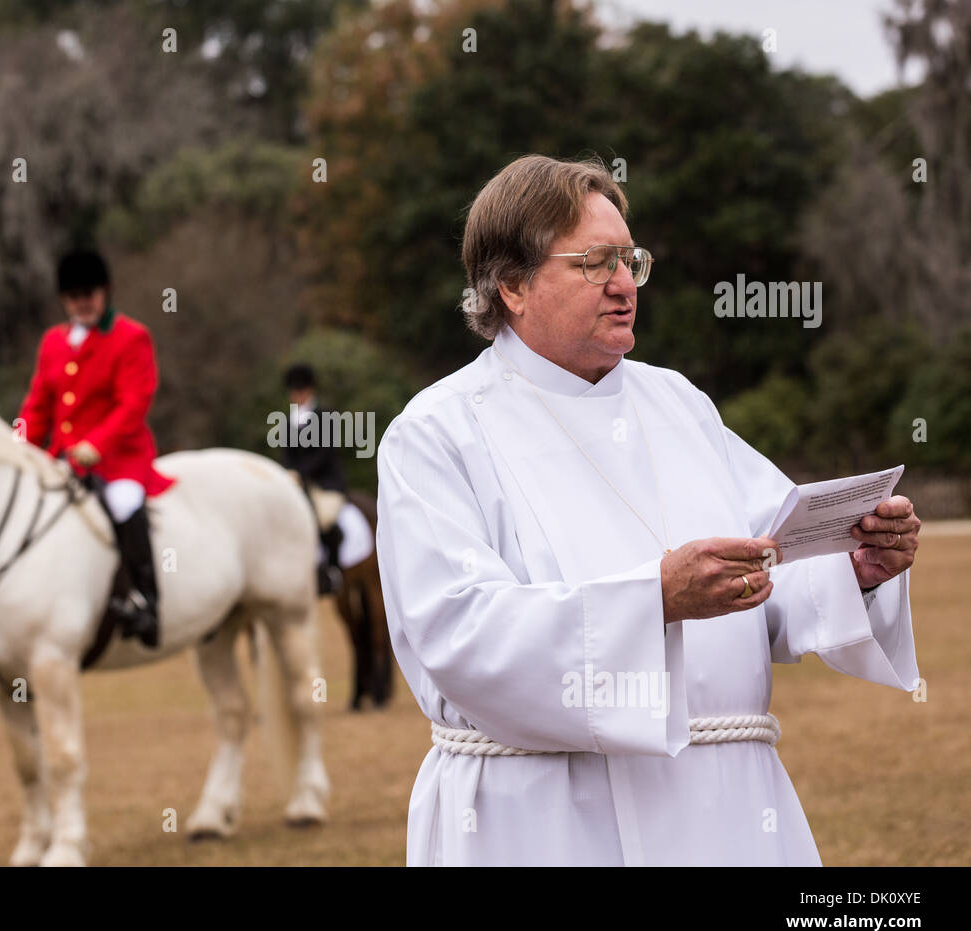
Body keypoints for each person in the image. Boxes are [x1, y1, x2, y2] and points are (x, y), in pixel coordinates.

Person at [375, 155, 921, 866]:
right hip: (539, 819)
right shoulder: (437, 432)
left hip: (722, 807)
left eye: (631, 260)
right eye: (596, 263)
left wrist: (858, 569)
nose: (625, 284)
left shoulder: (680, 405)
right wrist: (653, 600)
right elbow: (458, 635)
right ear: (510, 285)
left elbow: (767, 561)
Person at [16, 249, 176, 647]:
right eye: (73, 296)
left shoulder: (131, 337)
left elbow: (134, 403)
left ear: (105, 292)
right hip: (65, 461)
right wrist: (15, 445)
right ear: (63, 299)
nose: (81, 303)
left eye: (88, 294)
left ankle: (146, 601)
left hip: (120, 459)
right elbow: (37, 406)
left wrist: (96, 445)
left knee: (124, 503)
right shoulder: (53, 342)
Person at [281, 363, 373, 596]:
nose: (297, 396)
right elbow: (286, 456)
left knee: (324, 518)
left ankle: (332, 571)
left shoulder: (326, 416)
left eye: (301, 391)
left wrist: (299, 473)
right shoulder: (288, 421)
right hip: (298, 484)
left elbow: (324, 454)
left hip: (326, 485)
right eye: (294, 391)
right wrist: (288, 473)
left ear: (310, 391)